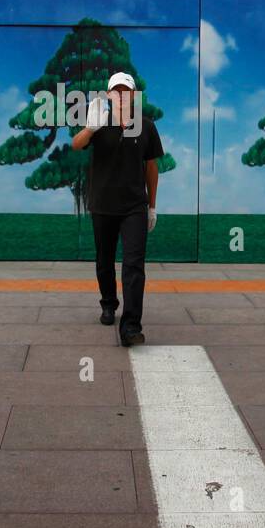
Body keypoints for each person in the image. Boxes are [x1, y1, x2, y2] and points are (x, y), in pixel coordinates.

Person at [71, 72, 164, 347]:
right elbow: (76, 145)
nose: (121, 95)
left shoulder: (146, 126)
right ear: (109, 95)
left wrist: (152, 206)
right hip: (102, 204)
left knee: (134, 264)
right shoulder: (97, 122)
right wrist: (90, 128)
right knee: (104, 259)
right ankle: (109, 303)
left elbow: (151, 167)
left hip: (134, 206)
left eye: (127, 91)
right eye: (116, 91)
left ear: (134, 96)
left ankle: (131, 326)